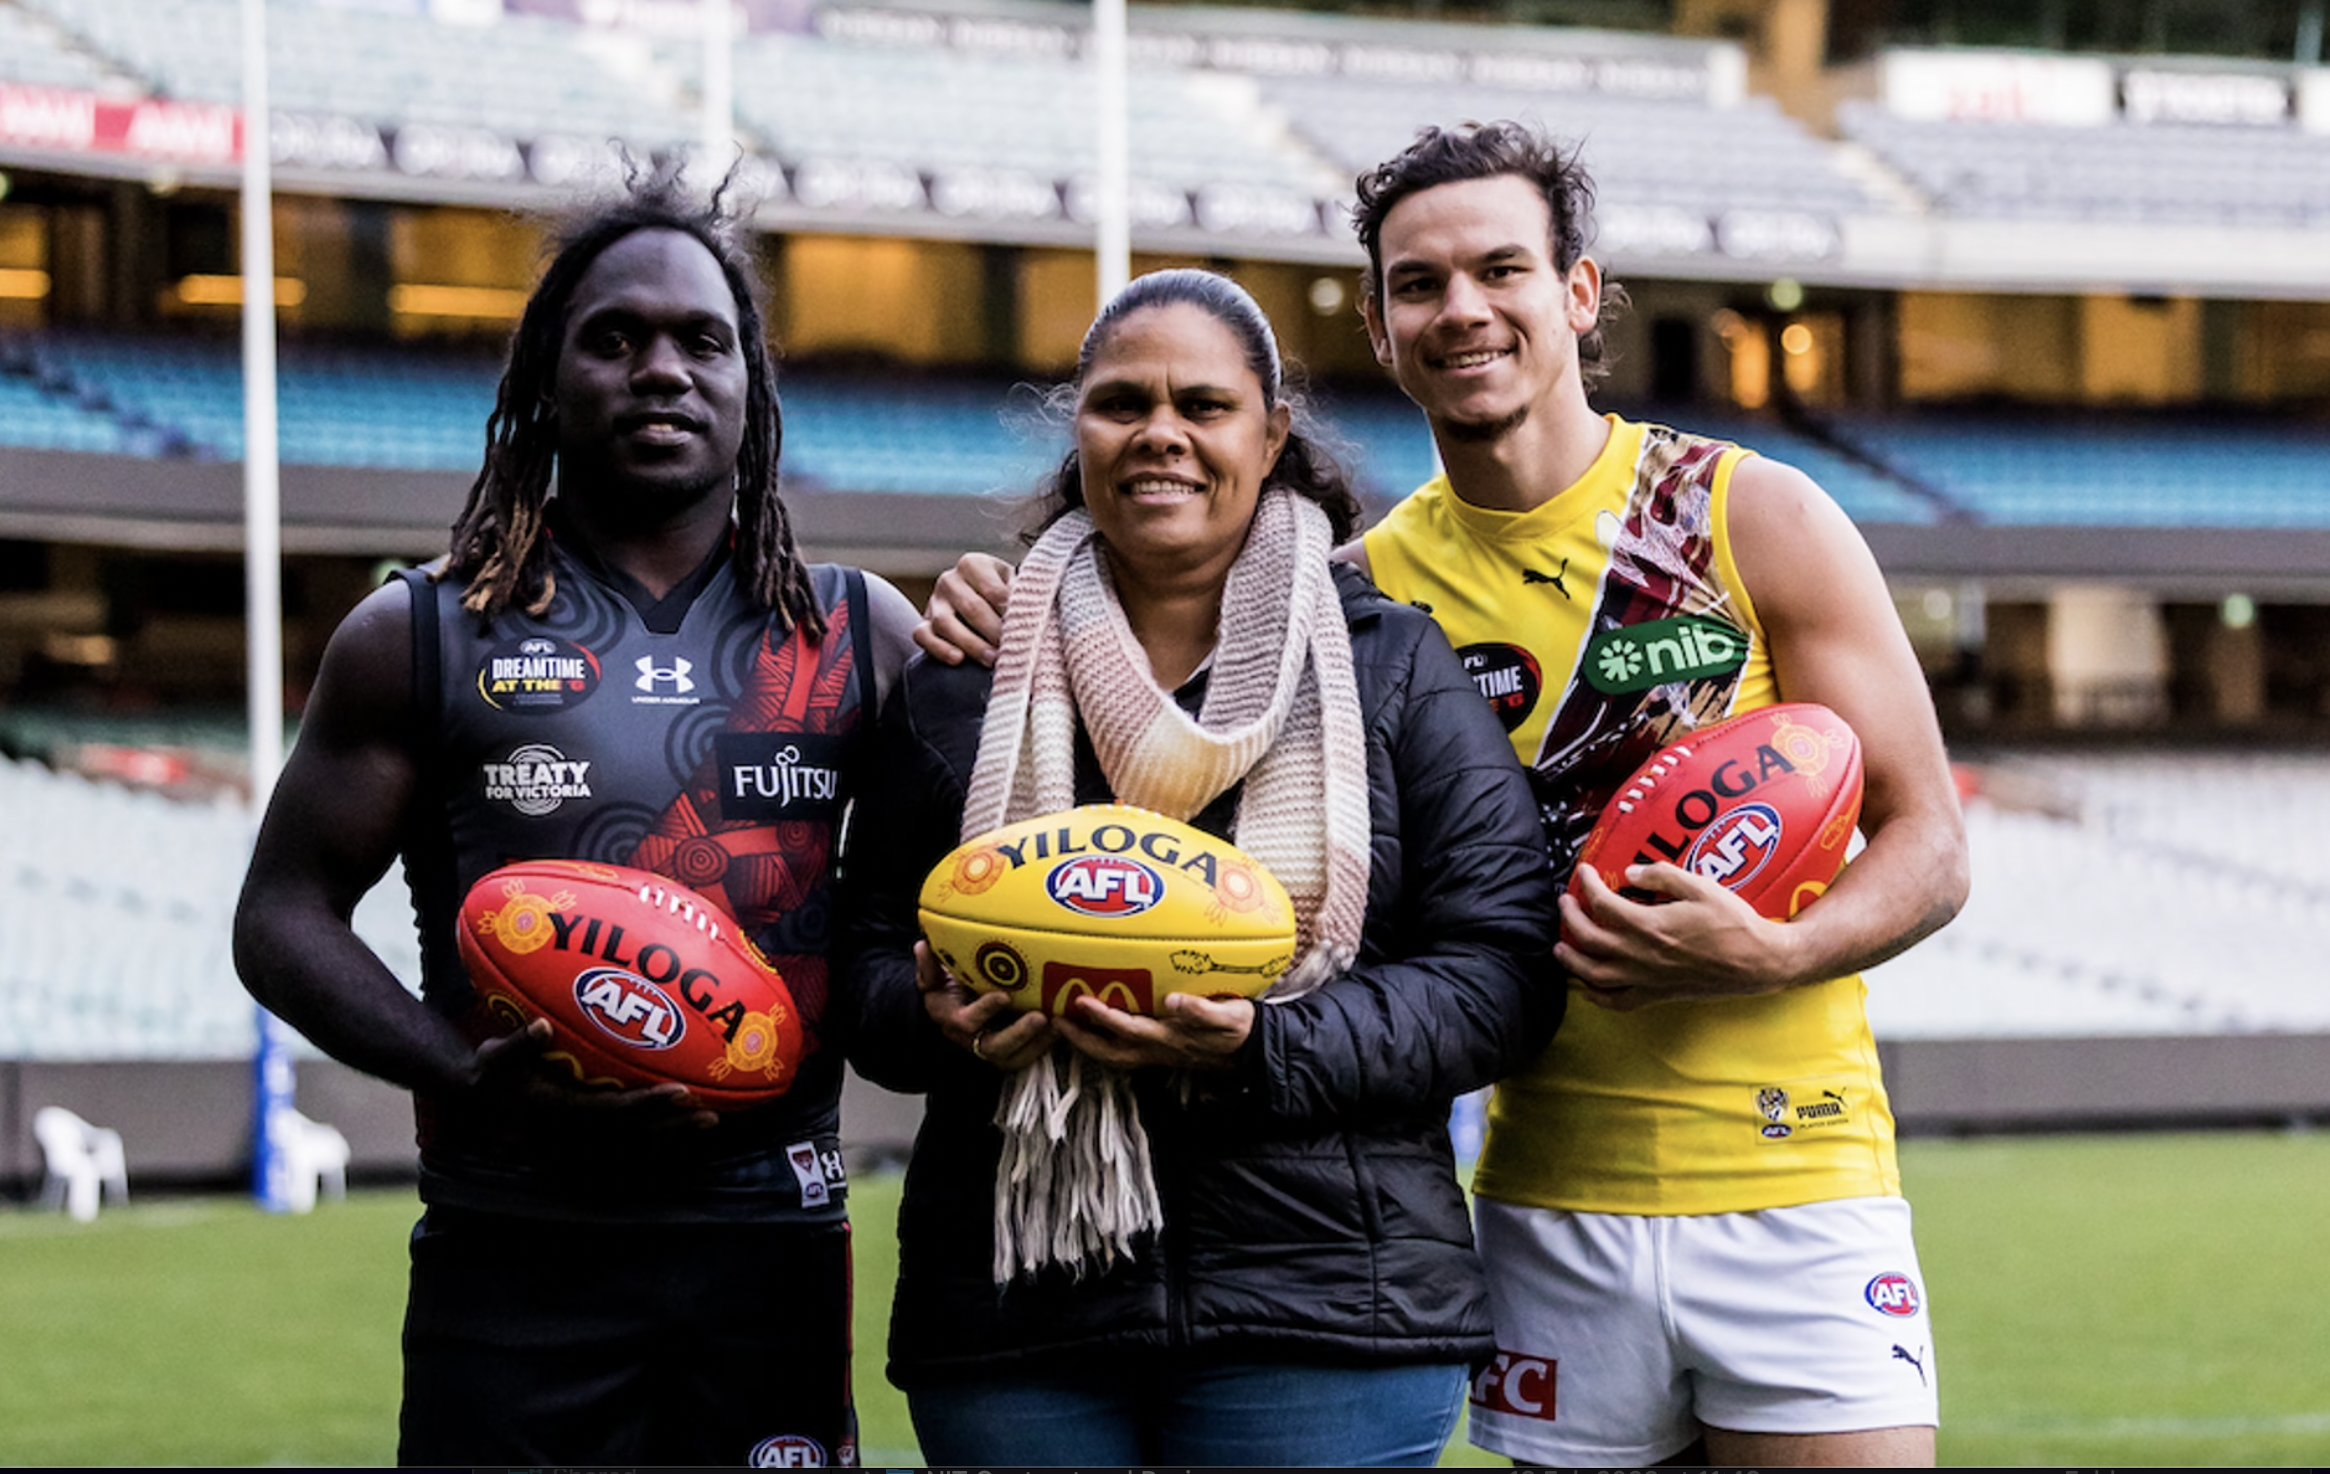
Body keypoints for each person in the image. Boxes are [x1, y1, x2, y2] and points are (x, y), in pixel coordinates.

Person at [917, 124, 1971, 1469]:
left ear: (1577, 292)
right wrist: (998, 602)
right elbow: (1146, 629)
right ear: (1375, 322)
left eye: (1500, 269)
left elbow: (1928, 839)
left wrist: (1777, 947)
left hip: (1798, 1174)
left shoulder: (1743, 514)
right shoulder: (1355, 598)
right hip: (1542, 1195)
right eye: (1419, 284)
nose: (1460, 308)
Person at [233, 168, 915, 1467]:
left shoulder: (856, 632)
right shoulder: (420, 633)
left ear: (751, 388)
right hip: (513, 1241)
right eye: (615, 338)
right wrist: (456, 1067)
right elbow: (280, 914)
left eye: (700, 340)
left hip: (771, 1246)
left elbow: (915, 923)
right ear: (548, 378)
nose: (661, 368)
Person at [838, 267, 1562, 1468]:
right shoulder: (964, 676)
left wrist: (1263, 1048)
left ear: (1269, 433)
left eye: (1202, 404)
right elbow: (859, 954)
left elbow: (1502, 971)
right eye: (1121, 402)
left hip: (1326, 1313)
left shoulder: (1388, 664)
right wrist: (932, 1016)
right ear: (1078, 431)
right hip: (1021, 1313)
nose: (1158, 433)